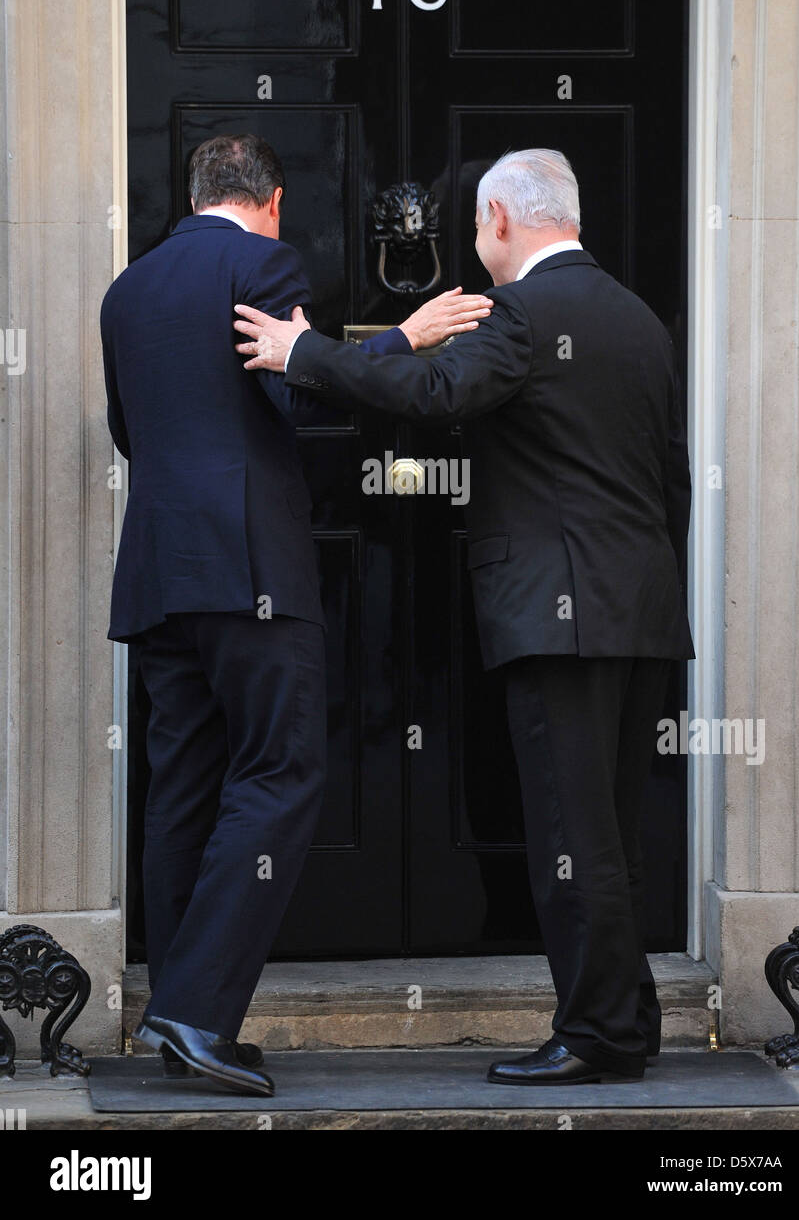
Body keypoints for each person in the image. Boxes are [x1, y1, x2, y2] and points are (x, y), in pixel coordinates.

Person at [232, 147, 695, 1086]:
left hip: (561, 619)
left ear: (498, 221)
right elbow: (670, 478)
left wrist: (302, 353)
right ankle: (627, 1019)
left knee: (571, 835)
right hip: (639, 608)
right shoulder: (638, 315)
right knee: (612, 830)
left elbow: (434, 393)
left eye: (476, 227)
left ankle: (599, 1035)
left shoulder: (523, 312)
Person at [101, 133, 492, 1096]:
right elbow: (292, 384)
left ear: (195, 195)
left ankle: (183, 1015)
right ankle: (196, 1013)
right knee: (280, 772)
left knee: (182, 785)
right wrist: (402, 341)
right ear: (271, 201)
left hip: (158, 569)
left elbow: (126, 430)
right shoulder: (263, 262)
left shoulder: (127, 290)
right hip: (250, 569)